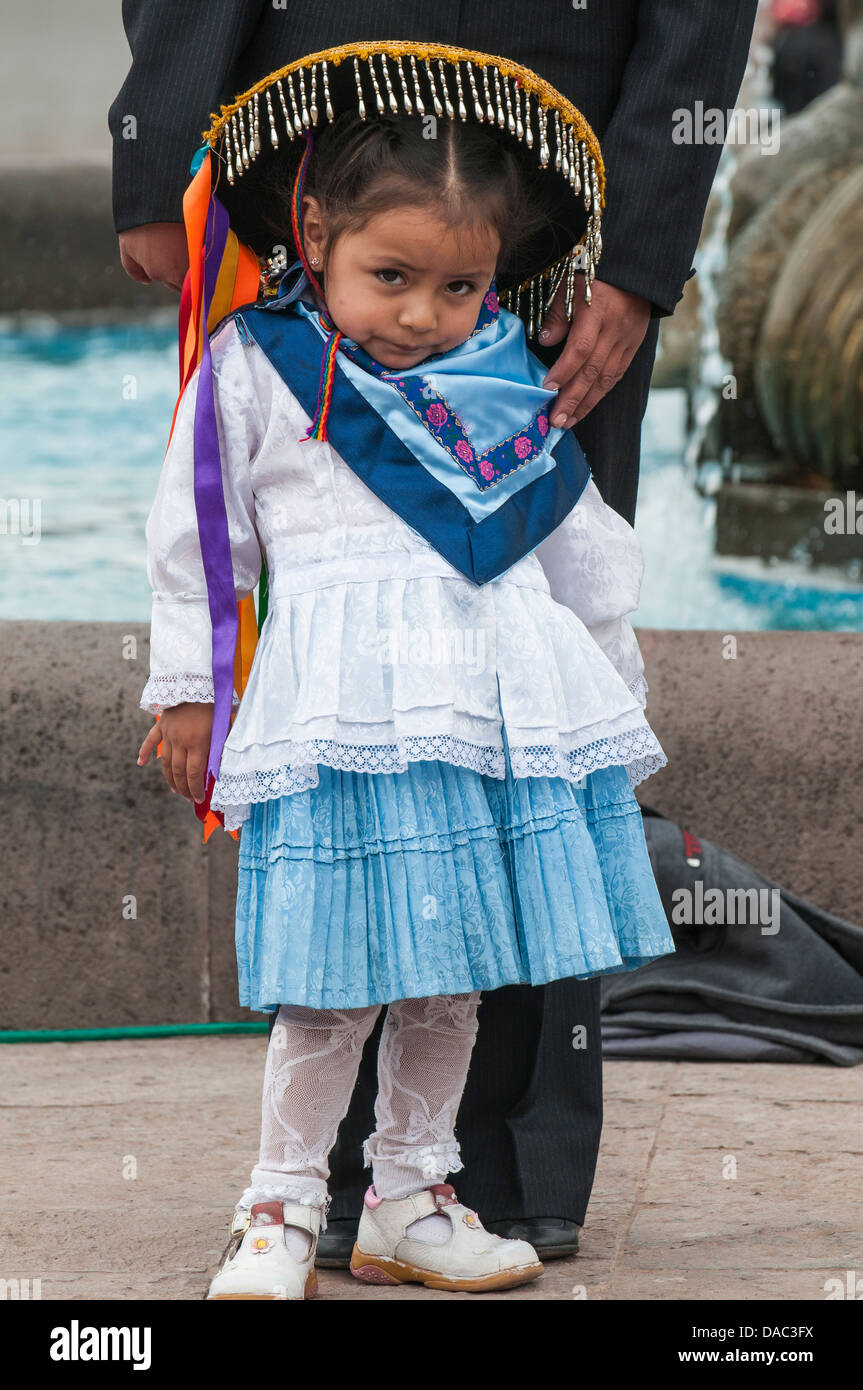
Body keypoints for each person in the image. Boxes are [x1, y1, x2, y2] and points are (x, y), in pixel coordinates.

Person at [114, 5, 759, 1263]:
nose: (421, 316)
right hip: (343, 712)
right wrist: (156, 152)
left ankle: (430, 1191)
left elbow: (579, 556)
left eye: (453, 288)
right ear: (315, 241)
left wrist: (634, 251)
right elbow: (196, 538)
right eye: (394, 282)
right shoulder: (261, 366)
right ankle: (286, 1201)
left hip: (565, 120)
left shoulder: (506, 361)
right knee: (331, 976)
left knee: (461, 956)